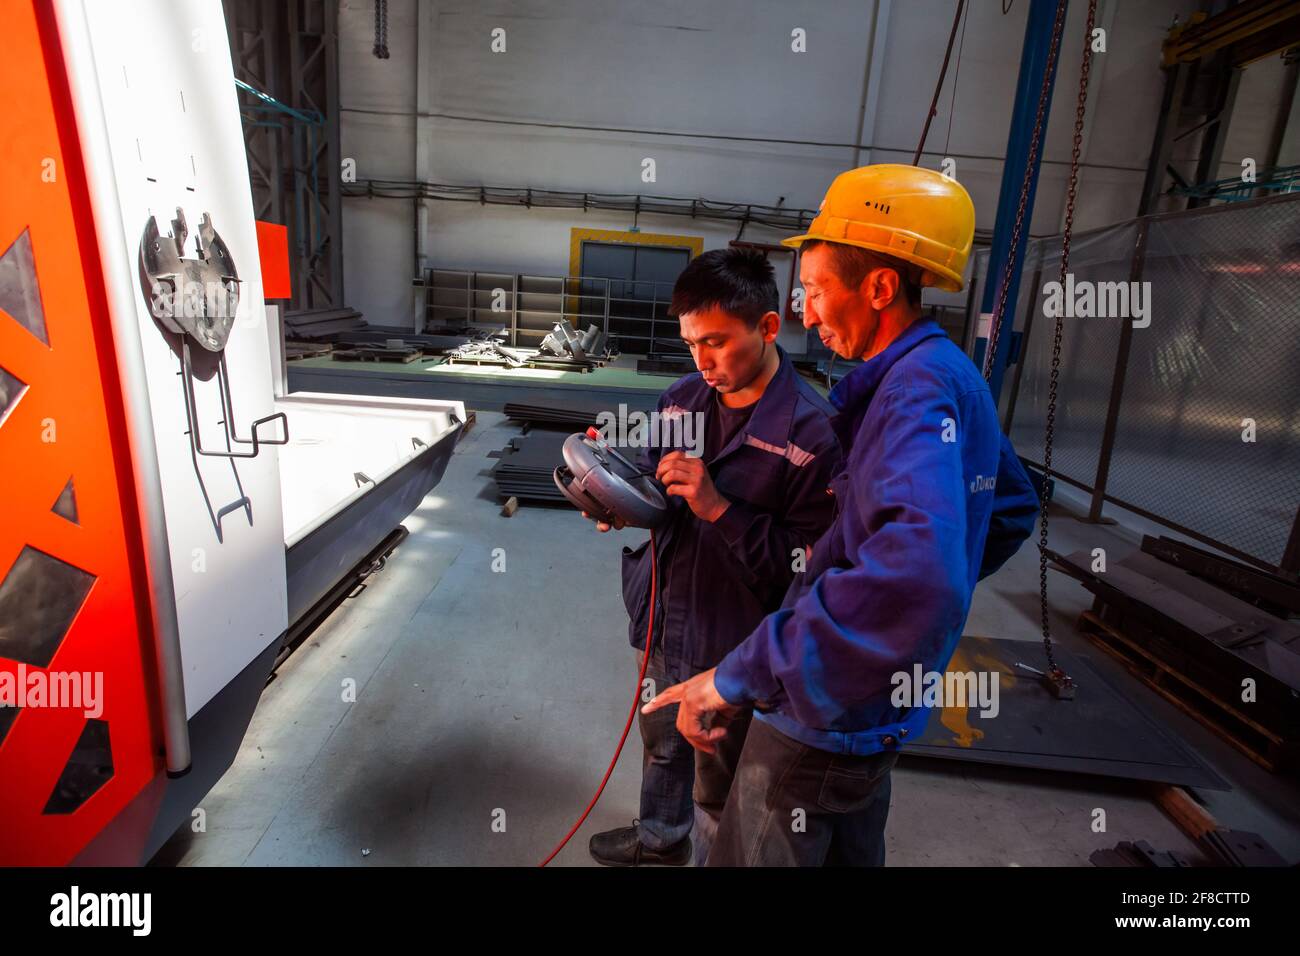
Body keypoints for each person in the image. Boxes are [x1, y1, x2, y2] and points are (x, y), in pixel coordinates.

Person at [643, 164, 1040, 866]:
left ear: (880, 288)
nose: (810, 313)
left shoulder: (909, 395)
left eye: (818, 291)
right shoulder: (947, 371)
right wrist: (898, 637)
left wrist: (739, 674)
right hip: (867, 704)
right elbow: (1007, 510)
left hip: (815, 716)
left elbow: (918, 573)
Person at [587, 247, 842, 866]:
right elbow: (655, 491)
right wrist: (614, 499)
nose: (702, 361)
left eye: (718, 343)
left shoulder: (813, 433)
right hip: (667, 612)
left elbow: (809, 566)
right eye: (691, 342)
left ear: (768, 326)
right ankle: (659, 838)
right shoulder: (680, 403)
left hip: (740, 640)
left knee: (722, 774)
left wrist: (720, 508)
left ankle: (707, 852)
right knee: (660, 736)